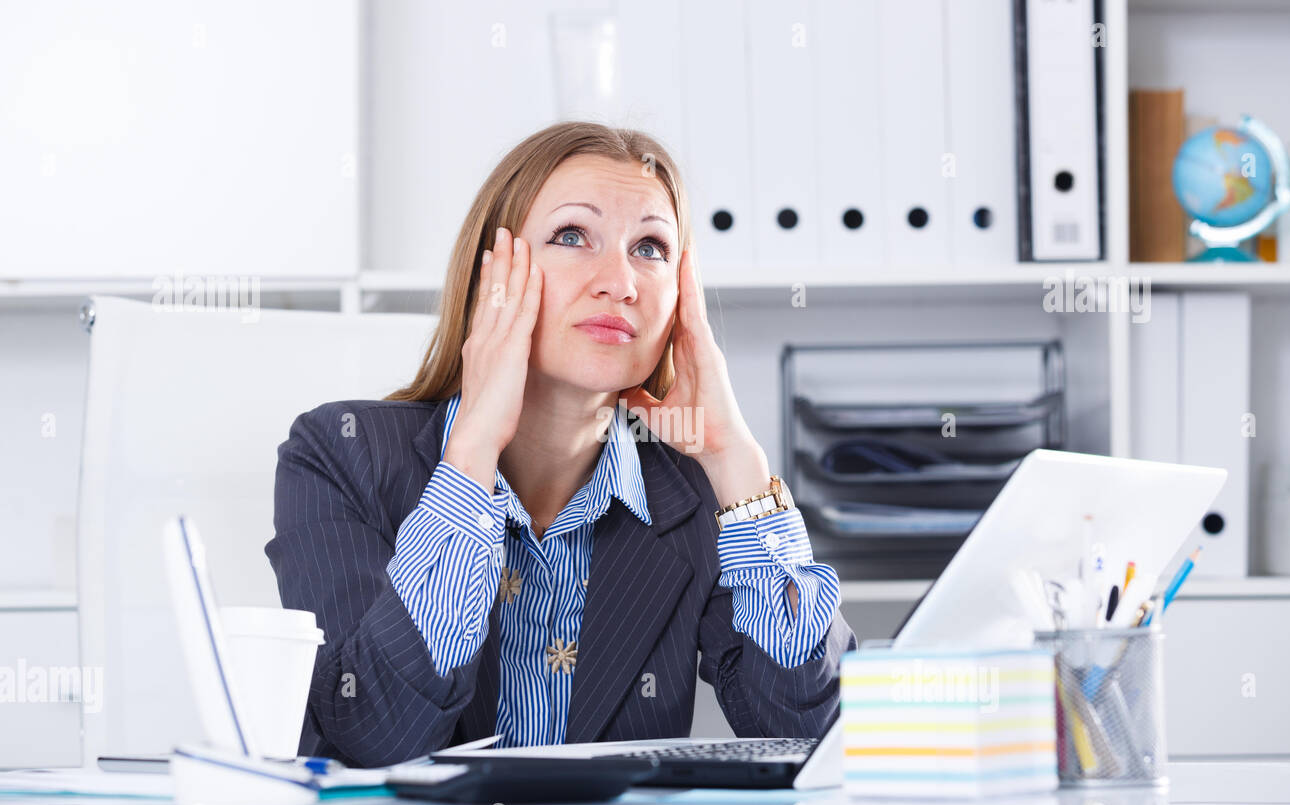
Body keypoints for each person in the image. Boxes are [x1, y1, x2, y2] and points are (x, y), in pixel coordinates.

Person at [265, 121, 857, 767]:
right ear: (490, 275)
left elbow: (820, 735)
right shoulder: (340, 455)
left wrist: (737, 465)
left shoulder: (698, 494)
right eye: (573, 236)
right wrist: (469, 461)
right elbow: (372, 736)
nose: (621, 282)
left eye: (652, 248)